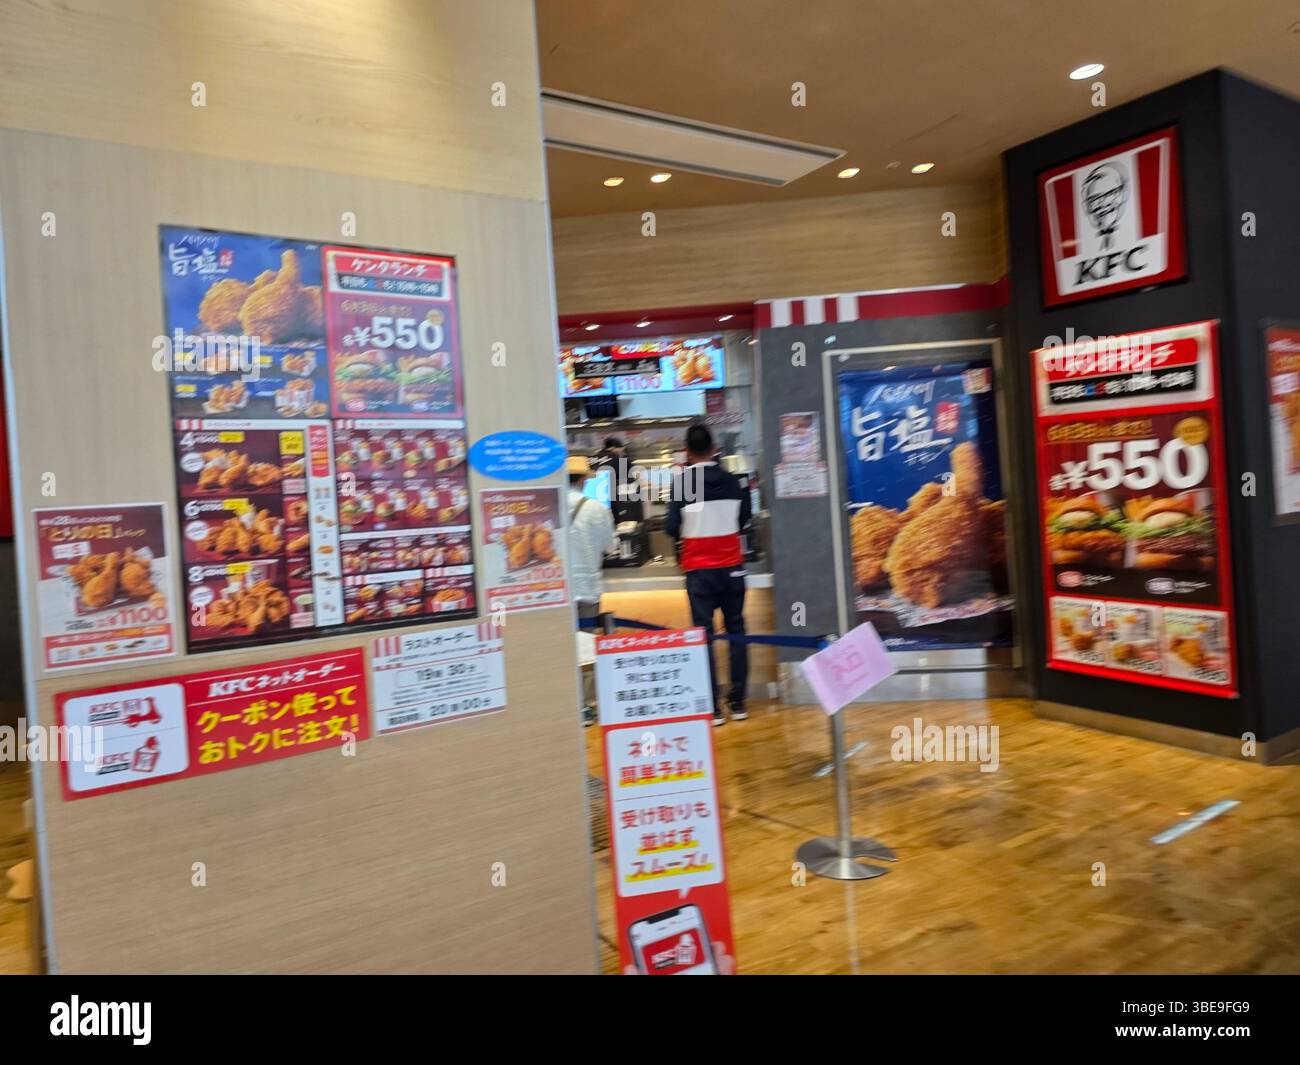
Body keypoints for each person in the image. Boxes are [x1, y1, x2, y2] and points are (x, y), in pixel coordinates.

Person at [665, 424, 751, 725]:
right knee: (737, 632)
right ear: (715, 447)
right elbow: (744, 520)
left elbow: (670, 527)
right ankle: (738, 703)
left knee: (703, 636)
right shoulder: (733, 482)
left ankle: (712, 707)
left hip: (699, 571)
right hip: (732, 568)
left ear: (687, 452)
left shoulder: (683, 484)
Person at [567, 455, 616, 726]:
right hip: (587, 587)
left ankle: (567, 703)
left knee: (562, 646)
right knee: (586, 646)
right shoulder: (596, 509)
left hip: (556, 592)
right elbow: (611, 547)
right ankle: (585, 708)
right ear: (584, 479)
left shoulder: (548, 506)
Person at [591, 436, 645, 525]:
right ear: (614, 448)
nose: (622, 452)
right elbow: (636, 477)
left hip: (592, 502)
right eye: (621, 450)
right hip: (614, 504)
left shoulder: (591, 459)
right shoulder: (619, 460)